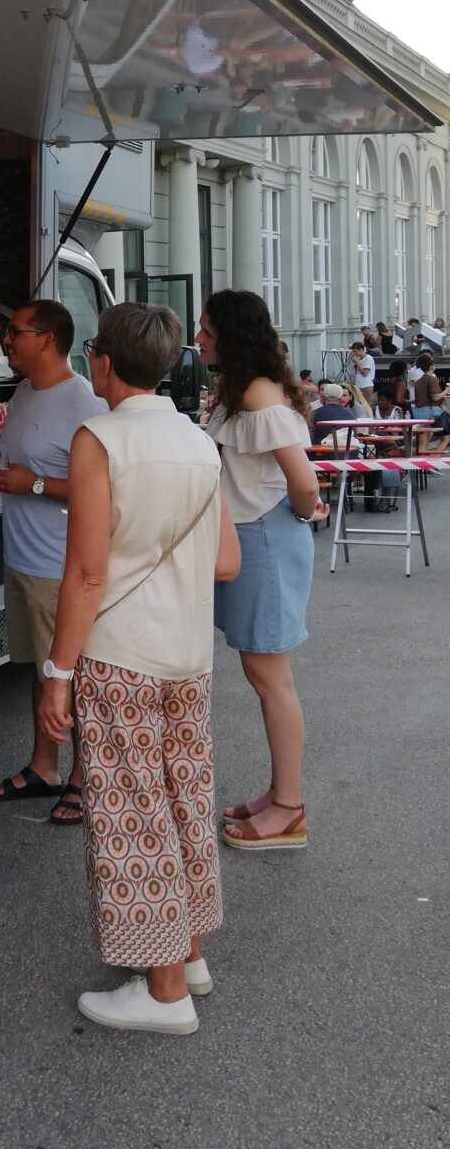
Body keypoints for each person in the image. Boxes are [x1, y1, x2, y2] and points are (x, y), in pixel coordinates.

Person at [38, 303, 240, 1036]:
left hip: (121, 653)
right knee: (183, 797)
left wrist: (57, 670)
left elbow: (88, 573)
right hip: (188, 657)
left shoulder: (100, 438)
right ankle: (184, 954)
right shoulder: (198, 441)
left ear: (102, 361)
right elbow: (225, 561)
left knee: (132, 813)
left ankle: (163, 993)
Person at [198, 290, 326, 851]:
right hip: (258, 537)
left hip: (266, 540)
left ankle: (290, 809)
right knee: (265, 676)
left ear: (229, 334)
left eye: (206, 330)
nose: (198, 339)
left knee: (271, 679)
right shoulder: (246, 387)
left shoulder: (255, 393)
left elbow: (304, 482)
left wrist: (302, 514)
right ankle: (280, 796)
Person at [0, 300, 107, 824]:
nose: (8, 341)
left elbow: (103, 491)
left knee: (71, 673)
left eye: (16, 333)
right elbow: (20, 463)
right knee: (40, 670)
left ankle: (82, 776)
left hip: (60, 564)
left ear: (47, 339)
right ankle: (44, 766)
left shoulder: (85, 403)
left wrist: (34, 483)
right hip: (22, 558)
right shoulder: (23, 393)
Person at [348, 340, 376, 408]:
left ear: (361, 349)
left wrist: (357, 363)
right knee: (359, 404)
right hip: (359, 384)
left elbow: (365, 373)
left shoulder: (368, 358)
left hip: (366, 385)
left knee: (366, 404)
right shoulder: (360, 358)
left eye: (355, 351)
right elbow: (358, 372)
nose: (354, 353)